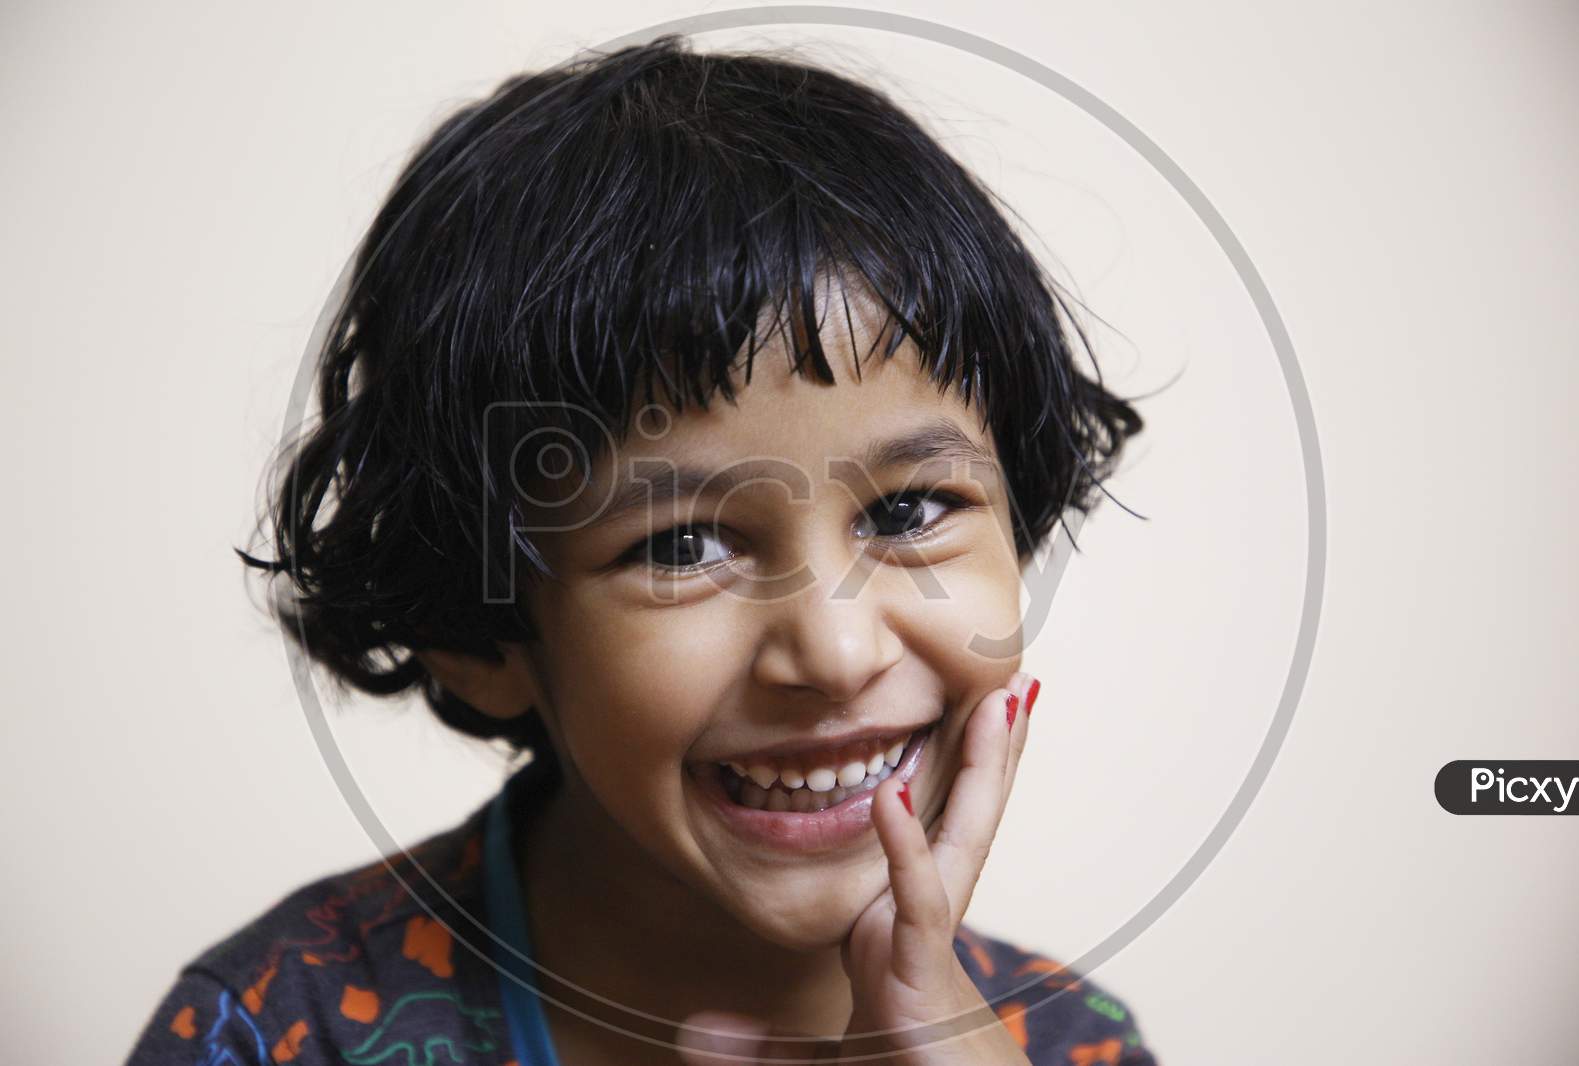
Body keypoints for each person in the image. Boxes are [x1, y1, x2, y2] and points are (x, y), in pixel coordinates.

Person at [125, 33, 1153, 1066]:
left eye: (905, 513)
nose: (836, 652)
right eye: (683, 545)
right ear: (475, 634)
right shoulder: (271, 1029)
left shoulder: (1068, 1044)